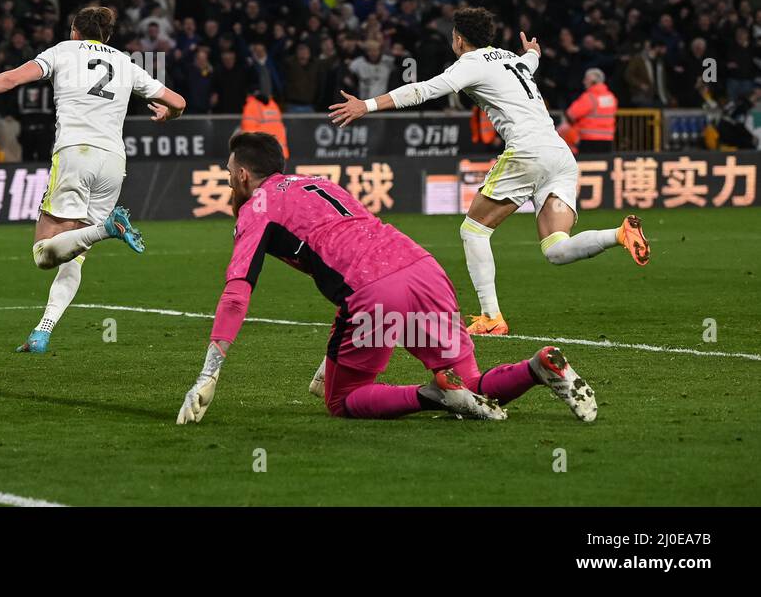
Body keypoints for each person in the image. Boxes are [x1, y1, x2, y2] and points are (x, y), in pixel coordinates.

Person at [175, 132, 598, 426]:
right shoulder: (319, 184)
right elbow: (345, 245)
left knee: (342, 401)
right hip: (423, 269)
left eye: (229, 171)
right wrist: (330, 356)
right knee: (471, 385)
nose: (229, 178)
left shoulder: (257, 208)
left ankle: (431, 395)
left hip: (374, 291)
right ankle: (538, 368)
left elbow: (236, 293)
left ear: (243, 175)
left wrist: (207, 374)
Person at [328, 7, 649, 337]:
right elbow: (529, 65)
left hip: (527, 152)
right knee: (555, 248)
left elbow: (423, 90)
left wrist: (366, 105)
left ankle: (491, 316)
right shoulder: (510, 57)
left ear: (459, 39)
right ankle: (619, 234)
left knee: (474, 231)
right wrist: (534, 53)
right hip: (560, 155)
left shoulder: (470, 63)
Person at [0, 5, 187, 354]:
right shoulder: (125, 62)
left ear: (75, 30)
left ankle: (109, 228)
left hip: (75, 153)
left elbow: (12, 78)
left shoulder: (62, 51)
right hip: (113, 162)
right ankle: (42, 331)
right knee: (74, 252)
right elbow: (177, 101)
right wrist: (168, 114)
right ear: (106, 36)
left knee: (43, 255)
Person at [563, 68, 618, 153]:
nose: (583, 82)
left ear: (592, 81)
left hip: (589, 139)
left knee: (589, 165)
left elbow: (571, 114)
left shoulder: (589, 97)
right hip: (608, 139)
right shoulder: (611, 97)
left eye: (586, 79)